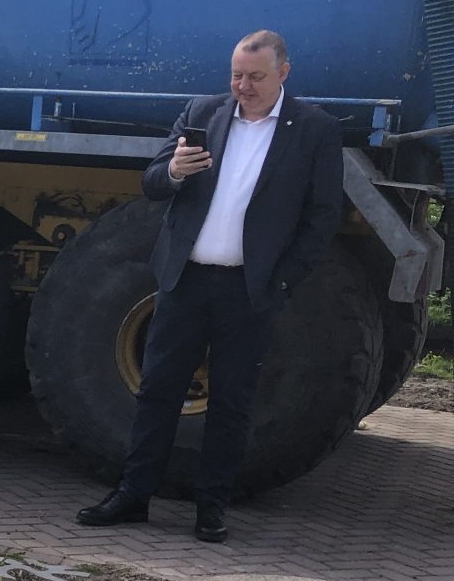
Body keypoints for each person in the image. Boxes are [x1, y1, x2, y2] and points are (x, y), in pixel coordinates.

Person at [77, 30, 343, 543]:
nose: (243, 86)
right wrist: (174, 170)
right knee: (157, 391)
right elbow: (152, 182)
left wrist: (281, 280)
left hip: (250, 289)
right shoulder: (202, 113)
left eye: (256, 77)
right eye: (237, 75)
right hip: (186, 280)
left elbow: (322, 217)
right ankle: (133, 494)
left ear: (283, 73)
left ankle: (211, 507)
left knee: (232, 402)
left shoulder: (314, 130)